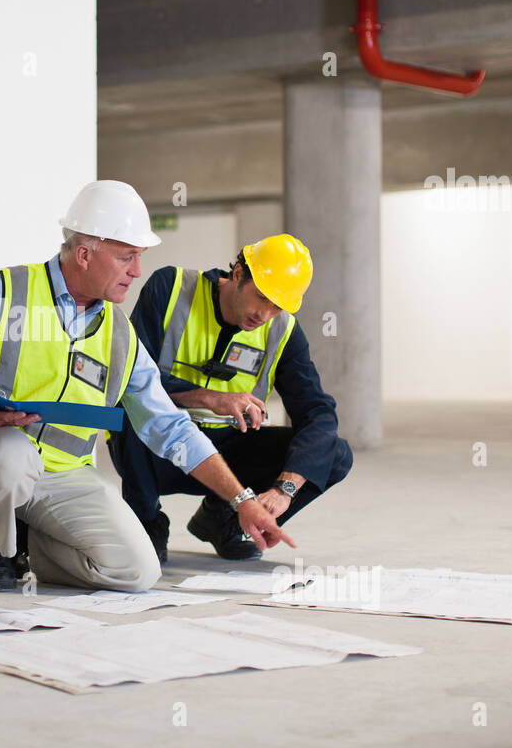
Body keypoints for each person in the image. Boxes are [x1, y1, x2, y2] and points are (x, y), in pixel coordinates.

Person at [0, 180, 293, 593]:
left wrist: (243, 501)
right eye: (127, 257)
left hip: (63, 475)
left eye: (139, 257)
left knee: (137, 572)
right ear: (84, 254)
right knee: (10, 454)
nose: (137, 271)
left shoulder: (119, 334)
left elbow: (171, 427)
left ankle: (31, 539)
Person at [107, 235, 352, 563]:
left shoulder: (282, 332)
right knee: (130, 409)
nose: (265, 314)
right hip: (158, 449)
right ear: (238, 273)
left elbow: (318, 413)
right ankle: (147, 520)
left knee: (334, 454)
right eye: (262, 297)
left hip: (228, 456)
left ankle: (222, 518)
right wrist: (210, 398)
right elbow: (129, 377)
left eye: (277, 305)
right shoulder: (171, 288)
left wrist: (286, 488)